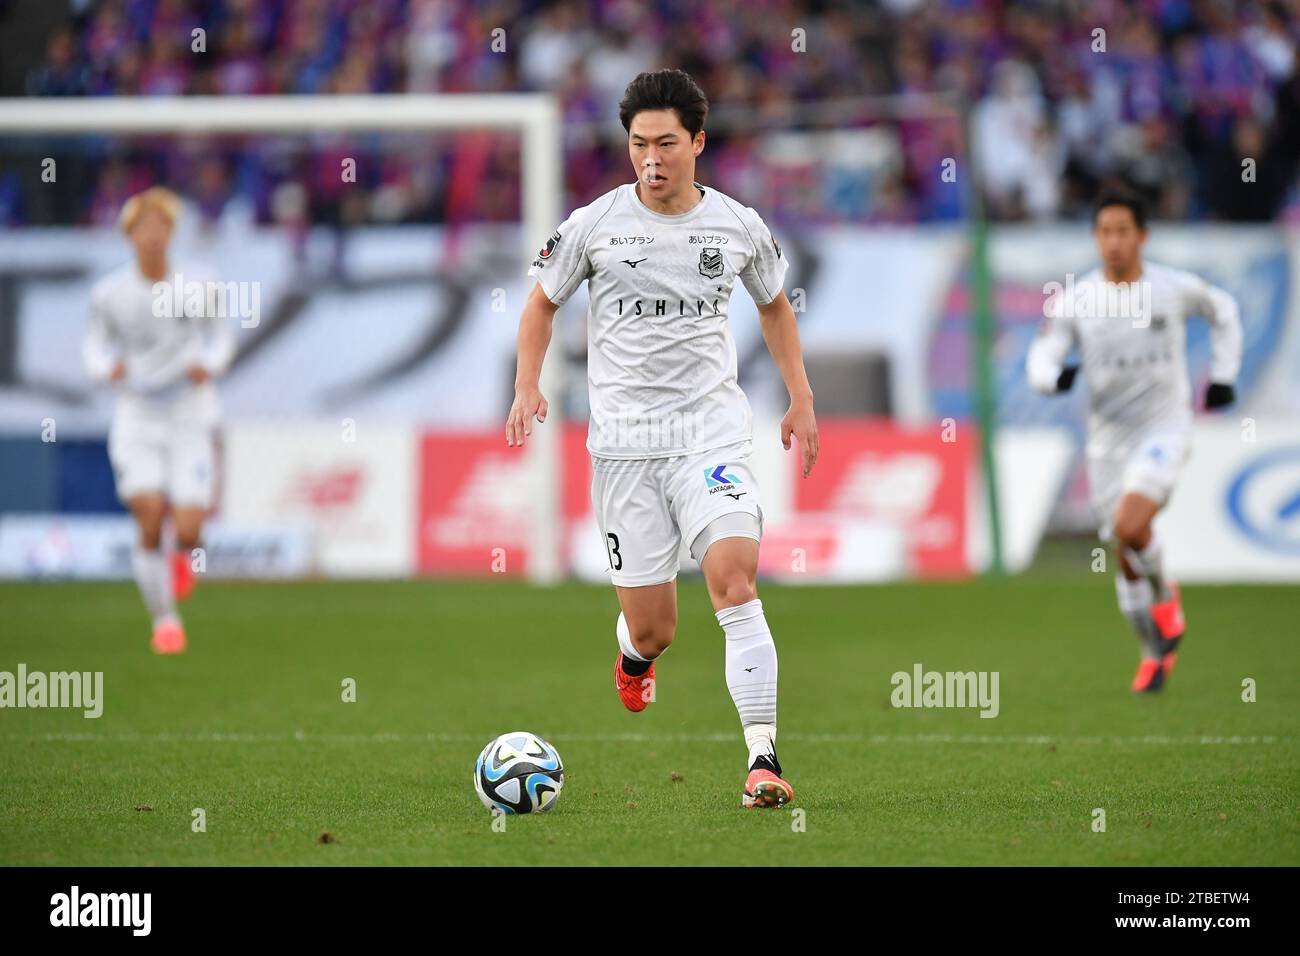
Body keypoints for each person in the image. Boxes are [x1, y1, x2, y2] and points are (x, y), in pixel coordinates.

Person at [506, 70, 819, 807]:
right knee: (655, 629)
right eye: (638, 144)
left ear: (698, 143)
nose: (650, 157)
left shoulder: (737, 226)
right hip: (624, 450)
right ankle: (631, 655)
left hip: (709, 438)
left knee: (735, 581)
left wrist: (801, 396)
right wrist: (527, 383)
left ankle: (762, 759)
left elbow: (775, 307)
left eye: (666, 143)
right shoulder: (595, 224)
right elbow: (539, 305)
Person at [1028, 188, 1243, 692]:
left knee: (1131, 524)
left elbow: (1225, 311)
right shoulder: (1076, 300)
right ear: (1095, 238)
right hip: (1106, 444)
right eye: (1104, 232)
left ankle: (1166, 593)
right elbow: (1044, 353)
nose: (1114, 242)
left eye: (1123, 231)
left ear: (1142, 235)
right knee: (1124, 558)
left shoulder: (1172, 287)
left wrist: (1225, 375)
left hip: (1164, 428)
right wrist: (1051, 379)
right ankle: (1153, 654)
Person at [84, 187, 234, 654]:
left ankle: (186, 553)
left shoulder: (200, 284)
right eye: (143, 227)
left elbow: (221, 337)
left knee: (187, 528)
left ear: (171, 232)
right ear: (129, 234)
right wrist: (106, 368)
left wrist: (209, 364)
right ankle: (165, 621)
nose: (153, 235)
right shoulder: (109, 293)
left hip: (190, 413)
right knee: (149, 516)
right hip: (138, 416)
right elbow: (94, 345)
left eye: (161, 226)